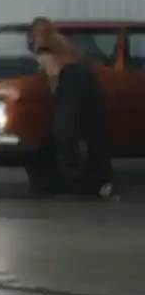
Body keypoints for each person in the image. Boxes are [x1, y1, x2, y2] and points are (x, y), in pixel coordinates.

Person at [27, 17, 113, 198]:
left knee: (64, 131)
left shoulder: (44, 41)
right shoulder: (63, 42)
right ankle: (99, 181)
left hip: (71, 78)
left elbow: (52, 75)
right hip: (85, 78)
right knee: (92, 133)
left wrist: (54, 90)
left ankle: (73, 183)